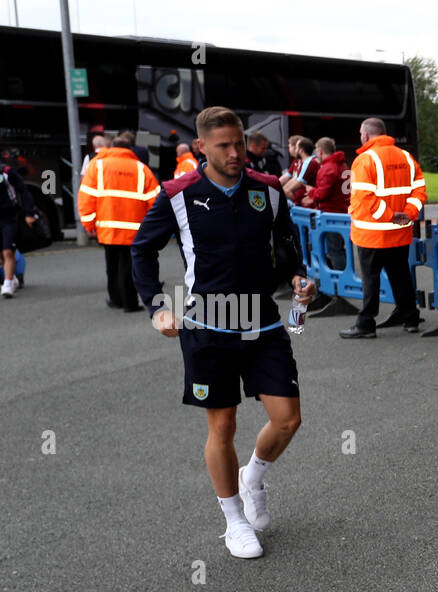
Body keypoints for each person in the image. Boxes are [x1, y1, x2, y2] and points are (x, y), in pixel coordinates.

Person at [131, 105, 317, 560]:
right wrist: (157, 307)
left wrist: (299, 279)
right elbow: (142, 250)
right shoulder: (177, 193)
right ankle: (234, 521)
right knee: (224, 424)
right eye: (224, 146)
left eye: (239, 143)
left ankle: (252, 478)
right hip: (207, 324)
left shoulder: (269, 190)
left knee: (288, 418)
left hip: (264, 322)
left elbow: (287, 245)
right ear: (201, 148)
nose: (236, 153)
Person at [340, 117, 426, 338]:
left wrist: (389, 217)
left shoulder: (364, 160)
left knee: (371, 278)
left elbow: (365, 198)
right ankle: (410, 318)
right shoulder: (407, 157)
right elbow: (419, 192)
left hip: (371, 234)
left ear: (366, 135)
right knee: (400, 275)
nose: (360, 137)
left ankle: (366, 324)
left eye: (361, 133)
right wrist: (406, 215)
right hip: (399, 233)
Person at [77, 136, 160, 312]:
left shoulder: (98, 166)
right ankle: (130, 303)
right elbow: (155, 202)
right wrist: (152, 228)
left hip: (107, 227)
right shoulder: (141, 169)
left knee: (111, 265)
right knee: (128, 267)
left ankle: (115, 299)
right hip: (133, 229)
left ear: (112, 147)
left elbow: (85, 198)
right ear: (130, 149)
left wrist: (88, 224)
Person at [301, 137, 350, 271]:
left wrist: (311, 192)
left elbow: (322, 194)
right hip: (344, 212)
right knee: (341, 249)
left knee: (335, 251)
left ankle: (340, 284)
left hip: (331, 215)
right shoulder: (343, 165)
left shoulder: (328, 168)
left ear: (320, 151)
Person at [1, 163, 40, 298]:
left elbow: (23, 190)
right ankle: (13, 279)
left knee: (8, 251)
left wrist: (30, 213)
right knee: (1, 253)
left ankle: (7, 285)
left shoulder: (6, 172)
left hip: (9, 217)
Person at [280, 136, 319, 205]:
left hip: (307, 201)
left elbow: (299, 182)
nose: (295, 150)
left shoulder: (309, 162)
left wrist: (285, 191)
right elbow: (295, 179)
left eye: (297, 148)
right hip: (305, 199)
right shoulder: (304, 162)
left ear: (301, 150)